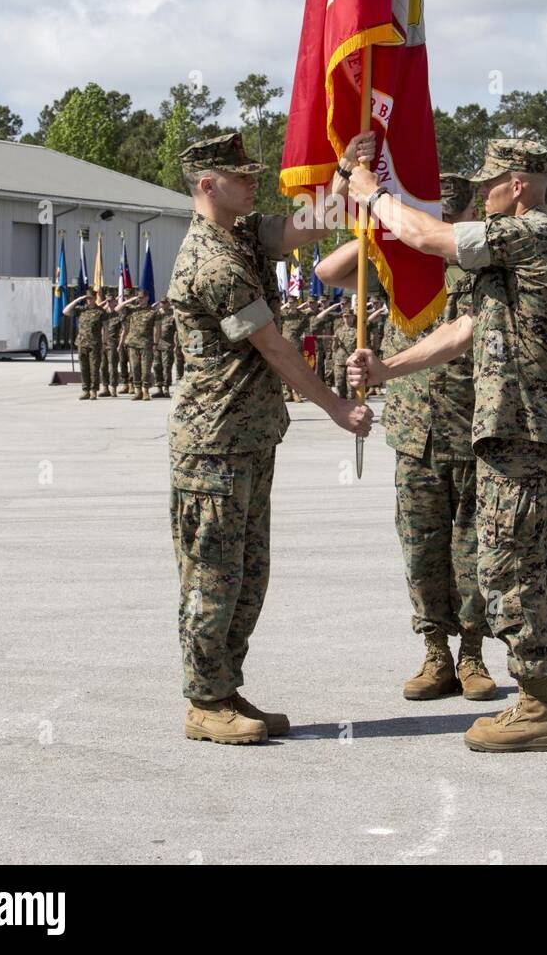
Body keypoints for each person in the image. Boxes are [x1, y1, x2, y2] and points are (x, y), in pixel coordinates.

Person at [348, 139, 547, 753]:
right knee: (519, 559)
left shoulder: (535, 233)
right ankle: (535, 695)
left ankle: (536, 704)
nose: (482, 195)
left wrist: (372, 194)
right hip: (515, 429)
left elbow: (429, 238)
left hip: (528, 428)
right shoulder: (513, 259)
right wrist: (388, 369)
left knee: (510, 562)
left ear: (519, 186)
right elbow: (461, 331)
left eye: (490, 185)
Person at [168, 130, 373, 745]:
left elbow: (312, 228)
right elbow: (274, 345)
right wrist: (335, 405)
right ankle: (204, 701)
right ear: (207, 185)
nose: (254, 182)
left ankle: (224, 686)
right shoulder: (212, 259)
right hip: (215, 443)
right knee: (213, 575)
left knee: (248, 573)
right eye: (242, 176)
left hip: (249, 438)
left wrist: (344, 170)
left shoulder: (242, 234)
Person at [317, 173, 496, 704]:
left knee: (473, 552)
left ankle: (473, 655)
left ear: (465, 217)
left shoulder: (479, 264)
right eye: (426, 213)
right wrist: (378, 231)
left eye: (445, 215)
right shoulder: (397, 265)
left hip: (472, 429)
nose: (431, 225)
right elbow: (329, 271)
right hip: (415, 433)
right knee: (420, 549)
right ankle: (434, 651)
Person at [63, 289, 105, 400]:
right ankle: (85, 390)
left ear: (95, 298)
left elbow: (104, 329)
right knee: (84, 368)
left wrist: (104, 344)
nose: (88, 300)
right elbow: (65, 311)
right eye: (87, 298)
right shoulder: (81, 310)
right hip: (82, 343)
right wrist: (77, 300)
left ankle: (93, 391)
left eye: (90, 298)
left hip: (94, 344)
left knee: (94, 369)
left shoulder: (100, 312)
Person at [118, 290, 160, 401]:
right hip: (132, 344)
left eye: (142, 297)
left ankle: (146, 391)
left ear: (147, 297)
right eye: (138, 298)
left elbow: (157, 329)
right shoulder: (132, 309)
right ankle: (138, 392)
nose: (140, 299)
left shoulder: (153, 312)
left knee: (145, 369)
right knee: (135, 368)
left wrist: (155, 343)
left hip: (146, 344)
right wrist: (132, 299)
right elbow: (117, 308)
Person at [279, 296, 309, 402]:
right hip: (284, 344)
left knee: (296, 369)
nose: (291, 305)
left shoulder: (302, 316)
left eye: (293, 303)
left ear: (297, 303)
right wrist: (285, 306)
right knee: (285, 369)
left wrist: (305, 336)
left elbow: (307, 328)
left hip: (297, 345)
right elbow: (275, 312)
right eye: (289, 303)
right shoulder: (283, 314)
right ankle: (288, 392)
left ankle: (296, 392)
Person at [153, 298, 177, 398]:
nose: (163, 304)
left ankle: (166, 388)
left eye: (165, 302)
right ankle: (159, 388)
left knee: (166, 366)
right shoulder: (156, 314)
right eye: (161, 302)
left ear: (168, 303)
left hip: (167, 342)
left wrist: (176, 344)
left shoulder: (173, 315)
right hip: (156, 342)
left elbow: (177, 331)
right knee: (156, 365)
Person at [99, 296, 122, 397]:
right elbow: (96, 308)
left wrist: (120, 344)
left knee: (113, 367)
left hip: (113, 343)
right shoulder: (102, 314)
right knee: (103, 366)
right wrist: (104, 303)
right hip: (102, 343)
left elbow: (123, 330)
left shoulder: (118, 315)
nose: (108, 303)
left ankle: (113, 388)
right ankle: (105, 388)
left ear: (115, 302)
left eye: (110, 301)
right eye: (107, 301)